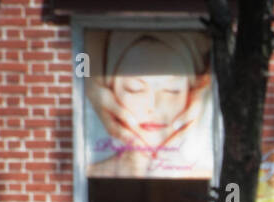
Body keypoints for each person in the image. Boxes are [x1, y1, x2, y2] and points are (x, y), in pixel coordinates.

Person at [85, 31, 213, 178]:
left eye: (171, 90)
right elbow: (79, 46)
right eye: (135, 89)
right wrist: (85, 84)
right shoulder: (84, 176)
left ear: (190, 96)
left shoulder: (214, 179)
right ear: (110, 91)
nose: (153, 106)